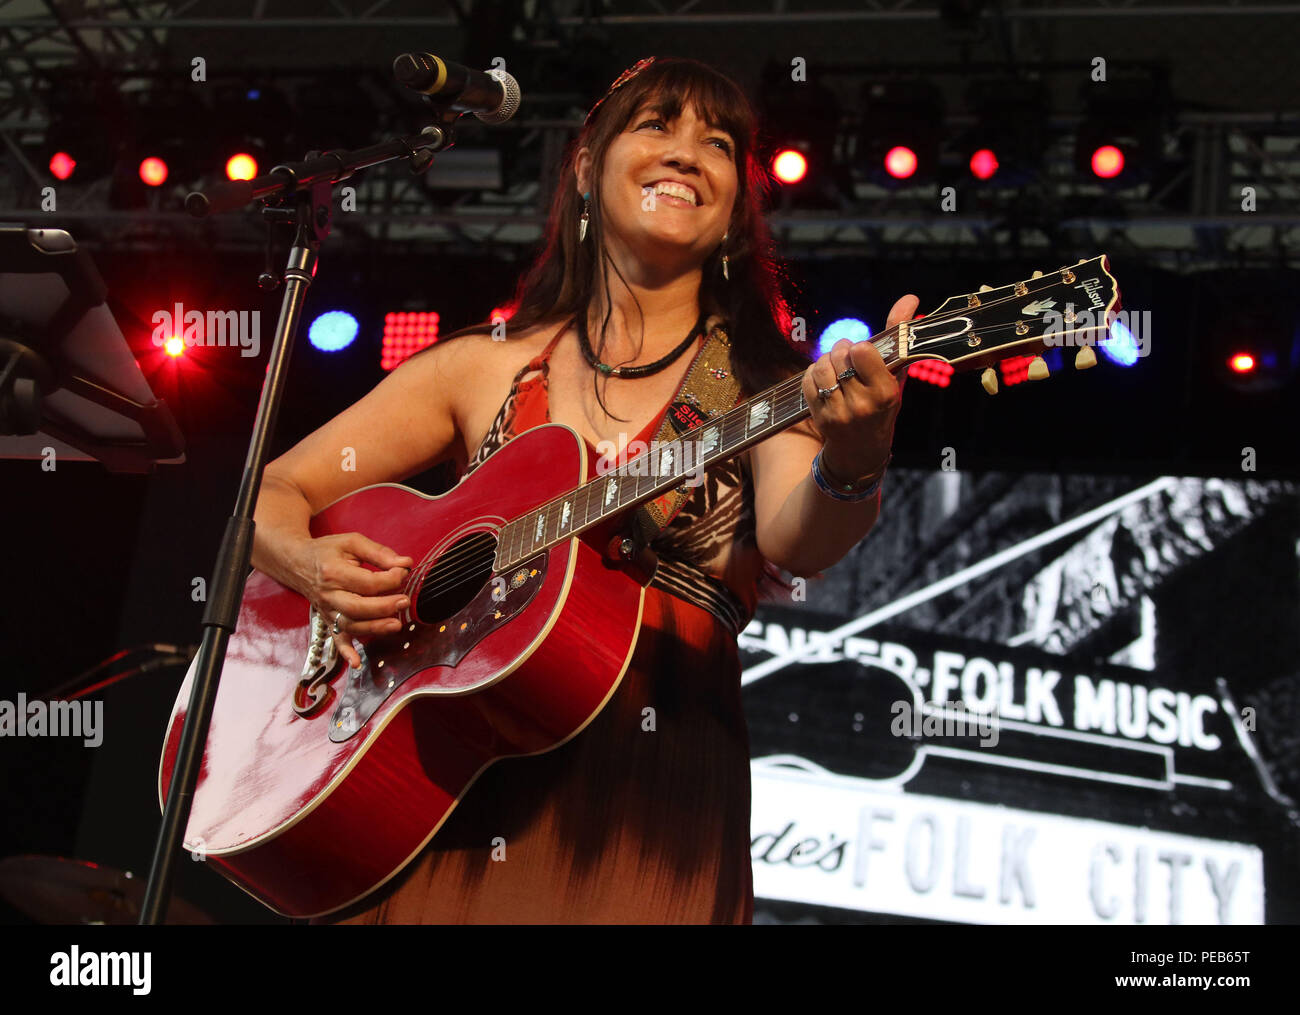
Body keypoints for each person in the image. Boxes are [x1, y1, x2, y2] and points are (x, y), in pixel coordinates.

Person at [251, 55, 917, 924]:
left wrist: (858, 452)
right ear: (585, 167)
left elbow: (799, 539)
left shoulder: (764, 381)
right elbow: (273, 488)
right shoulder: (481, 367)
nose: (687, 154)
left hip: (647, 801)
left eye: (717, 143)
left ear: (731, 218)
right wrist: (307, 563)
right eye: (656, 126)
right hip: (437, 784)